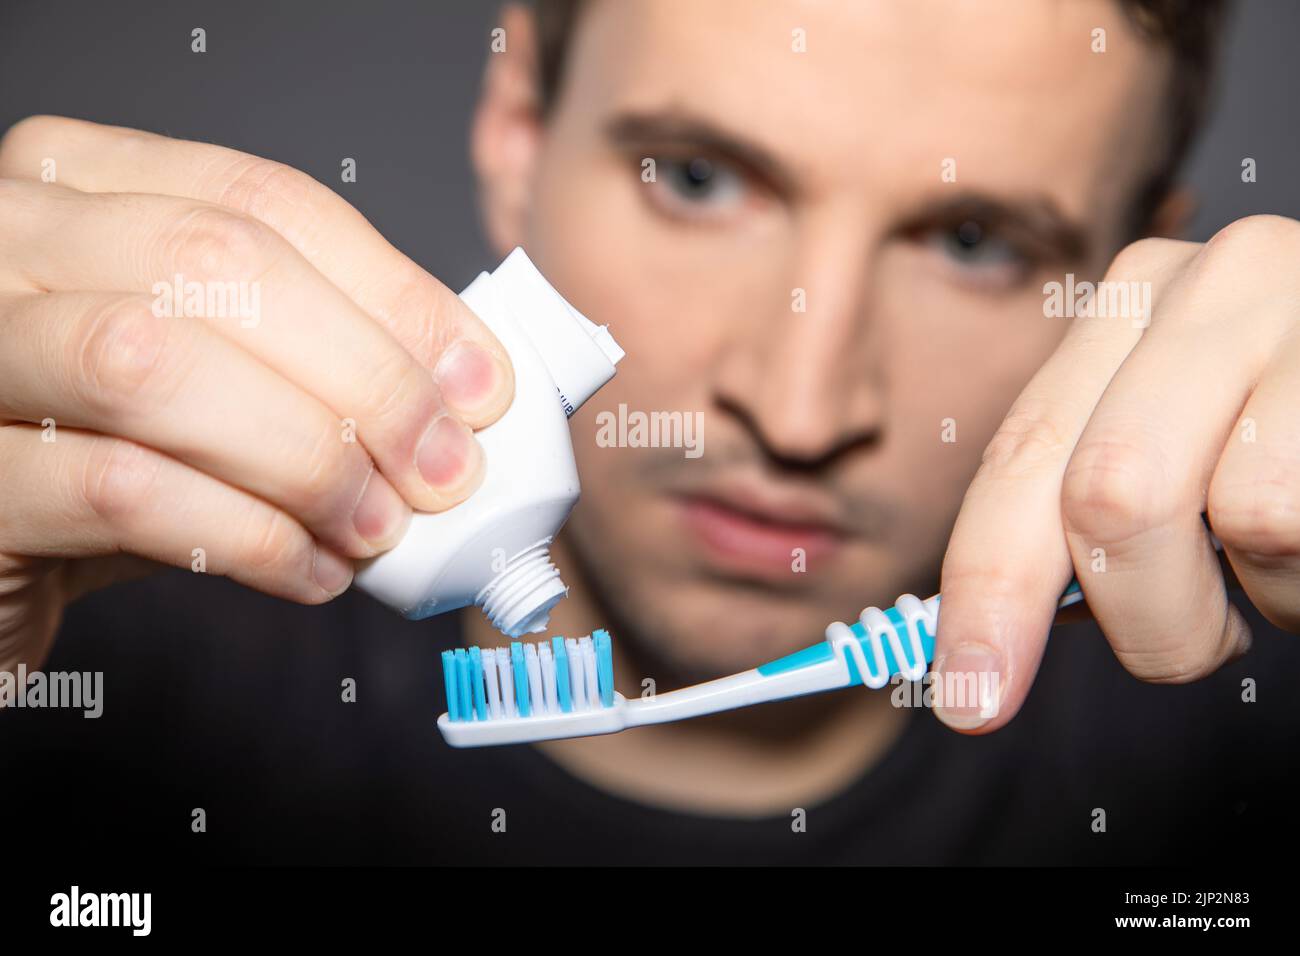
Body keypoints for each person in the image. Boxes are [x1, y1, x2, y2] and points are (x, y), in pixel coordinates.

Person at [2, 0, 1297, 863]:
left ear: (1130, 267)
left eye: (973, 244)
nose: (799, 410)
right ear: (519, 135)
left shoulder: (1247, 728)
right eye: (700, 178)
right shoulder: (94, 650)